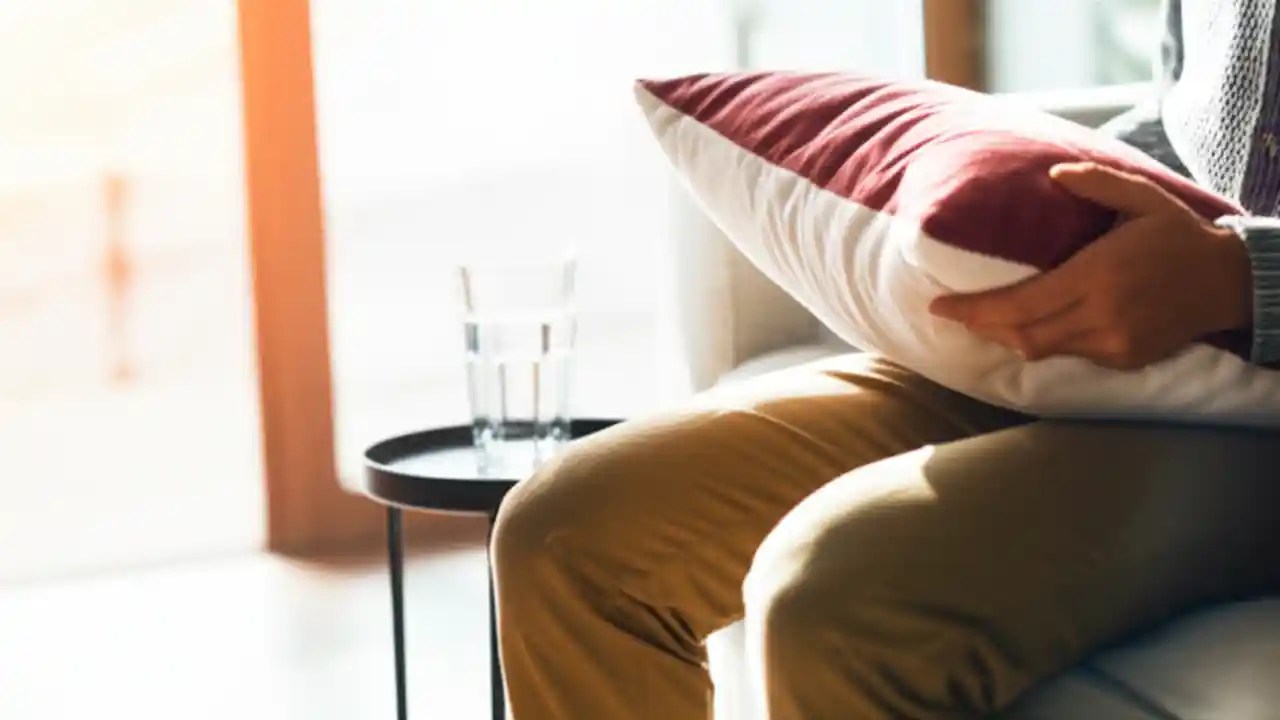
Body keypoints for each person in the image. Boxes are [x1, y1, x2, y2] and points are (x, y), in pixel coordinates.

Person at [491, 1, 1280, 717]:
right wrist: (1041, 227)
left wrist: (1238, 281)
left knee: (834, 598)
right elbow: (1182, 124)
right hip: (1144, 359)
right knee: (567, 537)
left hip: (1251, 400)